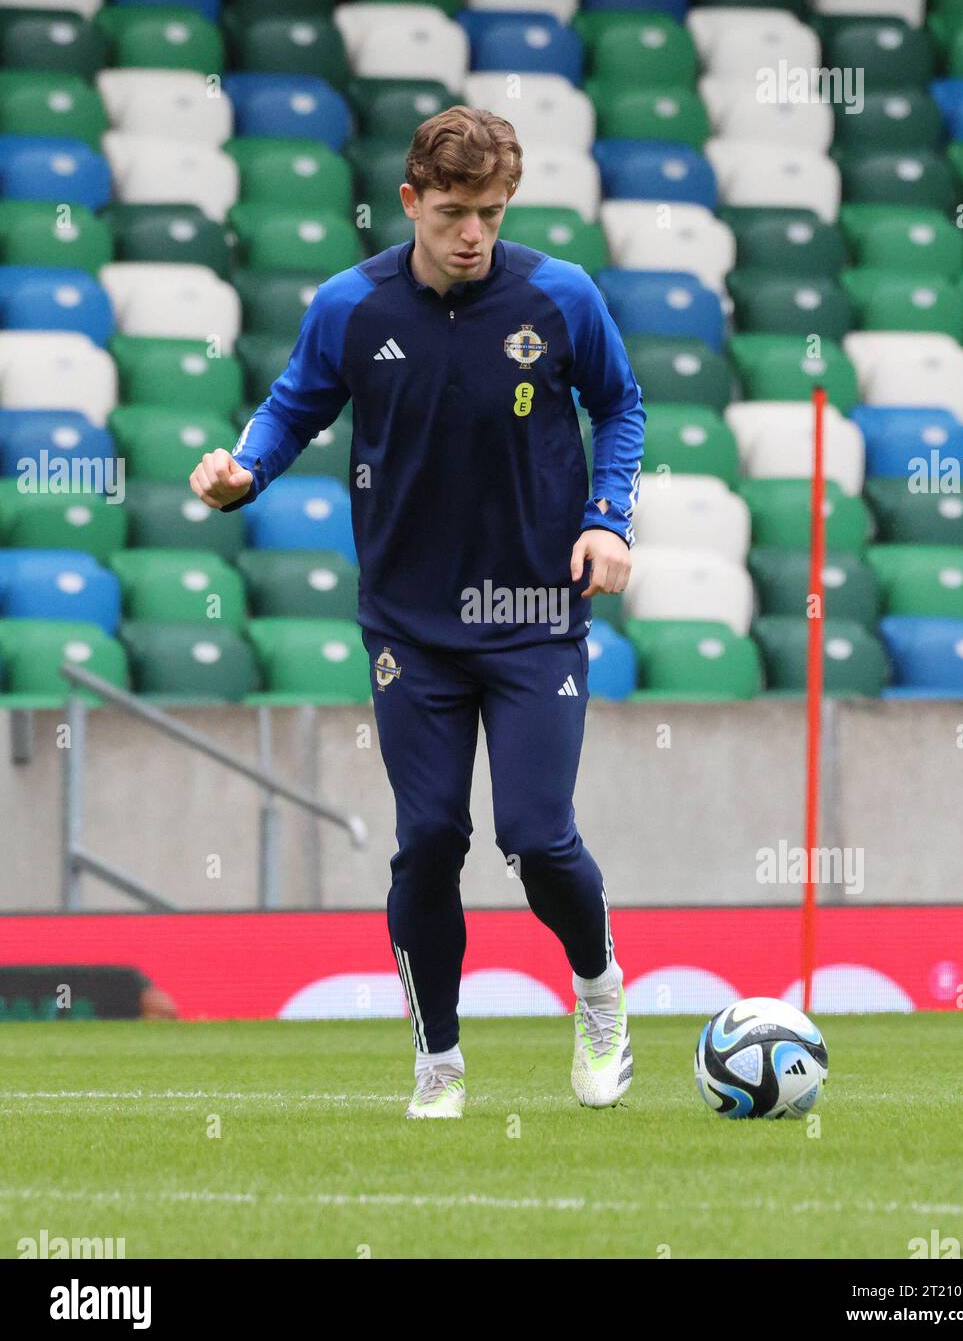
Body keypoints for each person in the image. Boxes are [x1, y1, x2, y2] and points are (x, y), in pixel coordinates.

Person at [189, 106, 646, 1118]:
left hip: (533, 612)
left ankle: (599, 985)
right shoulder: (348, 307)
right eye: (451, 212)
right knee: (429, 838)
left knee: (534, 835)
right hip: (411, 623)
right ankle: (437, 1063)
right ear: (409, 203)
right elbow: (292, 405)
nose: (472, 232)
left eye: (488, 211)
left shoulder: (560, 297)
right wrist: (243, 469)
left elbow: (620, 404)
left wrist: (608, 518)